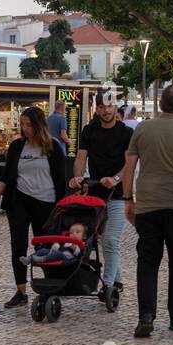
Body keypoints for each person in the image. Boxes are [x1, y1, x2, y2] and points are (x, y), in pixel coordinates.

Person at [122, 84, 173, 338]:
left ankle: (146, 315)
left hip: (147, 204)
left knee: (147, 261)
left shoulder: (143, 128)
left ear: (160, 105)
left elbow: (129, 167)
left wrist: (128, 199)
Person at [0, 106, 66, 309]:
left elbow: (60, 181)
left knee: (44, 247)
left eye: (28, 125)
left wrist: (59, 208)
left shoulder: (53, 147)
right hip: (19, 201)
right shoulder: (16, 147)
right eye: (22, 124)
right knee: (18, 246)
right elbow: (4, 179)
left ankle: (49, 288)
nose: (25, 128)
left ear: (38, 126)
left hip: (45, 203)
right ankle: (21, 291)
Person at [70, 92, 133, 306]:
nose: (105, 111)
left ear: (116, 107)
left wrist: (116, 179)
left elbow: (129, 165)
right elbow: (81, 157)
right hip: (94, 195)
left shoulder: (126, 133)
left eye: (109, 107)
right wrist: (77, 178)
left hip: (117, 195)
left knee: (110, 239)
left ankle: (107, 285)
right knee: (101, 238)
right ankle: (118, 278)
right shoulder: (89, 131)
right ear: (96, 109)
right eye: (101, 108)